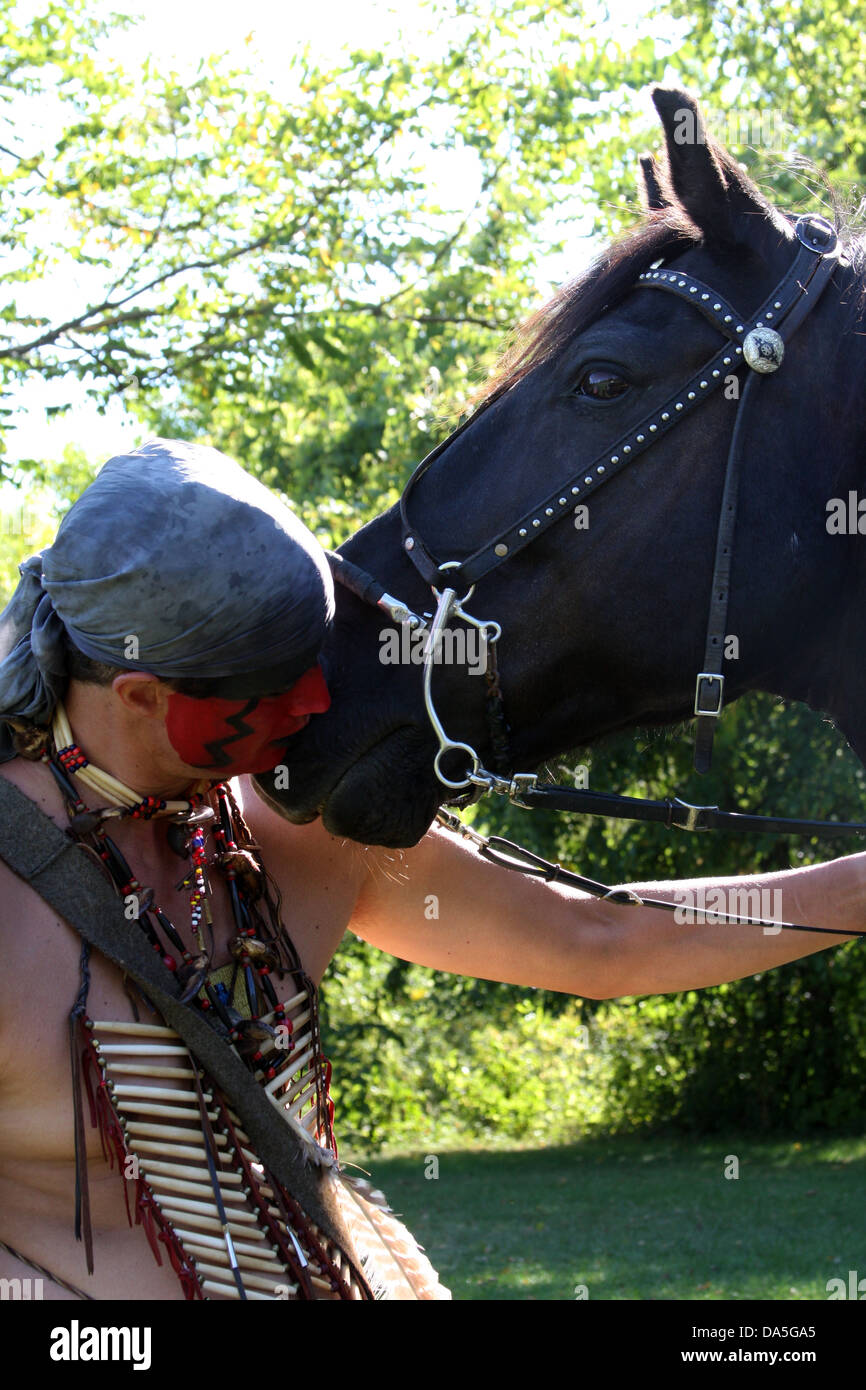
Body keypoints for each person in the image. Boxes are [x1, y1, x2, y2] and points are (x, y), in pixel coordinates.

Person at [0, 439, 862, 1301]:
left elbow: (599, 936)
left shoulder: (293, 829)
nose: (318, 702)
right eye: (271, 684)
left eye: (318, 658)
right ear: (142, 694)